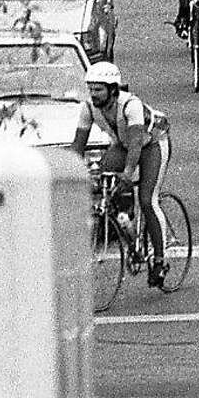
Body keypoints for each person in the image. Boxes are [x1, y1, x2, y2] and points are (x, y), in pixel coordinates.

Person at [73, 61, 171, 287]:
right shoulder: (88, 108)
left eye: (98, 89)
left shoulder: (130, 104)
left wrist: (128, 172)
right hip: (123, 144)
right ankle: (126, 225)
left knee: (147, 200)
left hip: (152, 144)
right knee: (106, 183)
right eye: (90, 89)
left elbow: (136, 142)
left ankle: (160, 259)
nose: (93, 94)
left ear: (112, 89)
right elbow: (78, 145)